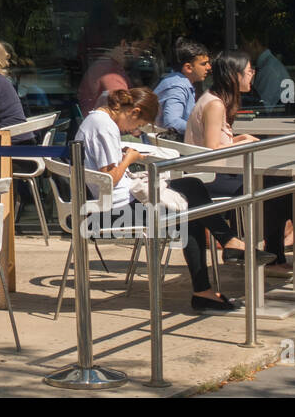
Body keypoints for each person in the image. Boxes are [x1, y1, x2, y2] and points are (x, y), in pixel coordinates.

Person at [81, 87, 247, 312]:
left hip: (120, 201)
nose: (133, 130)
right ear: (134, 112)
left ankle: (226, 248)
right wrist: (130, 158)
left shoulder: (97, 121)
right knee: (190, 212)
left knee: (192, 187)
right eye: (138, 125)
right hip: (117, 209)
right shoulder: (104, 127)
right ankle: (218, 263)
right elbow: (109, 178)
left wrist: (126, 157)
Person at [185, 51, 286, 273]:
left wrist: (239, 139)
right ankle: (271, 257)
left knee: (278, 185)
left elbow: (216, 143)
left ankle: (271, 255)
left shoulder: (216, 100)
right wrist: (242, 144)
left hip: (216, 173)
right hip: (209, 178)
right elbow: (211, 150)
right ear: (234, 75)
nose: (253, 74)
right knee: (277, 188)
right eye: (249, 71)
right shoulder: (215, 104)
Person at [153, 38, 211, 140]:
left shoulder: (180, 82)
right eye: (203, 64)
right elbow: (172, 122)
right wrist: (205, 129)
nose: (209, 67)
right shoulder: (177, 87)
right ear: (188, 68)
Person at [242, 34, 290, 112]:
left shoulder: (269, 69)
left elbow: (264, 108)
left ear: (255, 44)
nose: (242, 51)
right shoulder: (268, 65)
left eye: (244, 46)